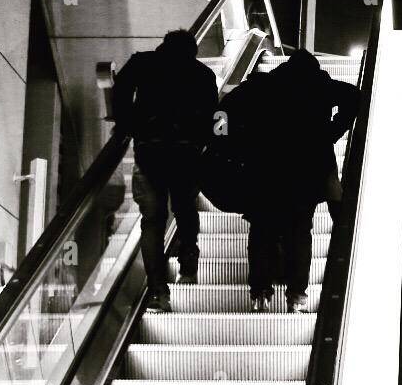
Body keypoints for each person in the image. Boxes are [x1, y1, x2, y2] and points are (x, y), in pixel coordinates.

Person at [225, 50, 359, 312]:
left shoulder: (264, 85)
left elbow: (227, 107)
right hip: (305, 173)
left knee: (262, 230)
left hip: (264, 169)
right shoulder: (319, 85)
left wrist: (239, 141)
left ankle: (260, 293)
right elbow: (353, 96)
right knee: (299, 232)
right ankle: (296, 296)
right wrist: (331, 131)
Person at [113, 30, 219, 313]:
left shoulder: (143, 63)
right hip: (187, 156)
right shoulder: (203, 75)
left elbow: (120, 86)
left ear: (163, 45)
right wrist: (208, 143)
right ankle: (188, 268)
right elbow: (215, 116)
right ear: (192, 51)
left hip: (150, 154)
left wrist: (127, 123)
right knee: (185, 211)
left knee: (152, 222)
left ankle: (159, 292)